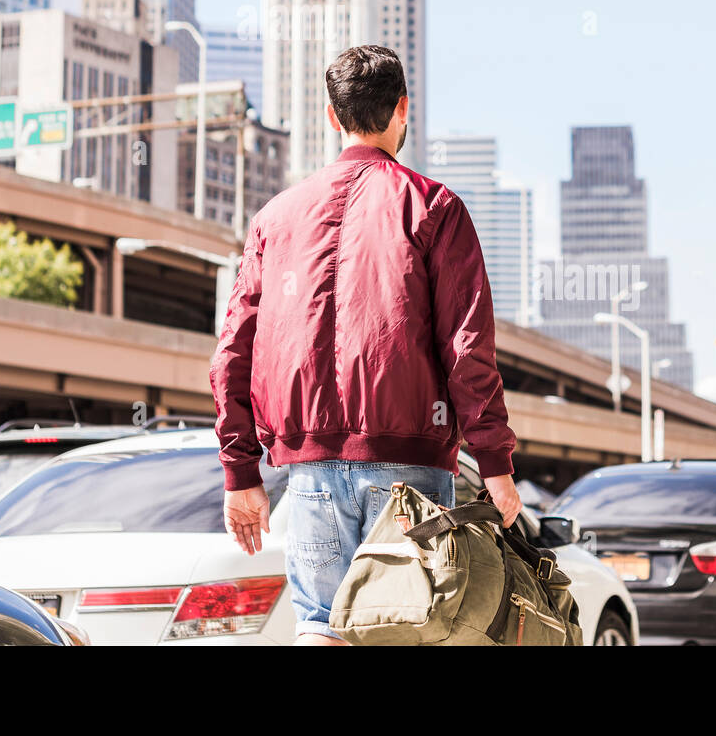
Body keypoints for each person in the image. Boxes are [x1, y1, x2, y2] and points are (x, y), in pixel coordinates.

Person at [210, 44, 521, 644]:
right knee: (409, 628)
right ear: (403, 108)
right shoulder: (434, 206)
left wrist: (239, 472)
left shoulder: (275, 219)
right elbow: (467, 350)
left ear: (333, 116)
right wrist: (496, 464)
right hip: (409, 471)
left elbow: (234, 355)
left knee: (321, 628)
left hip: (309, 472)